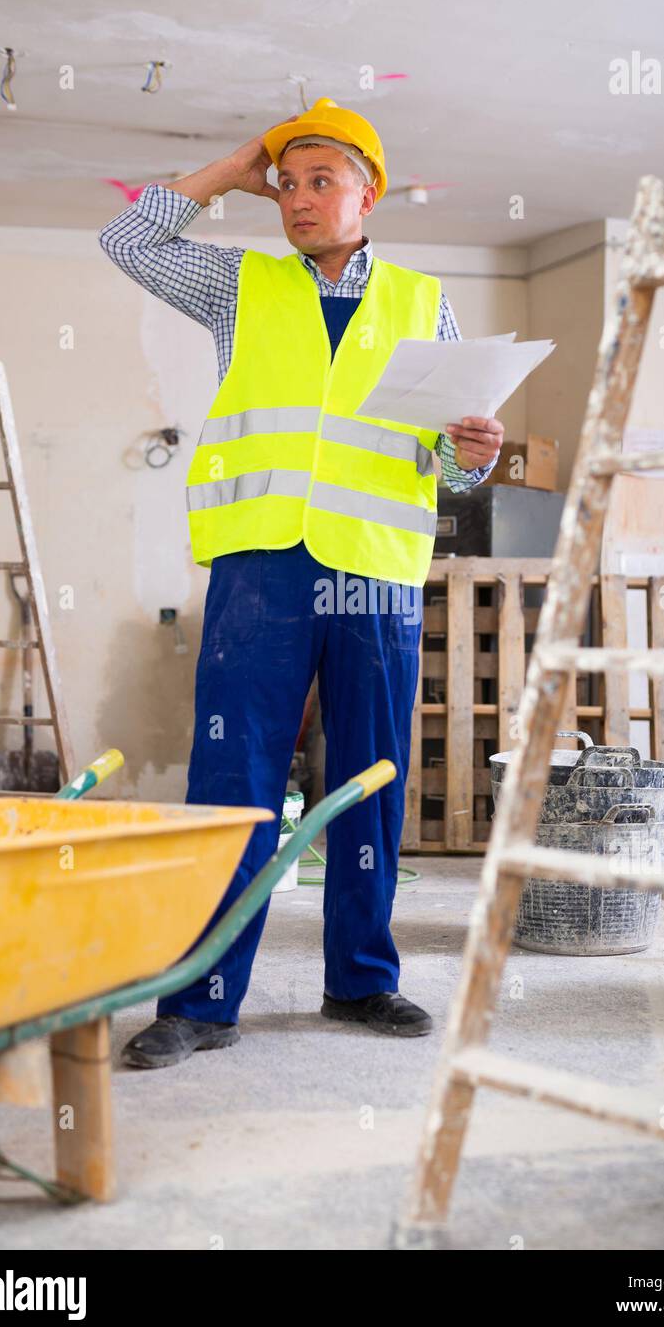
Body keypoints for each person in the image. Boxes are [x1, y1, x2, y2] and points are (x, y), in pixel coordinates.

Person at [99, 97, 503, 1068]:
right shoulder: (241, 285)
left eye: (321, 180)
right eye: (285, 184)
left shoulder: (423, 302)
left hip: (375, 571)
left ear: (369, 194)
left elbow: (448, 465)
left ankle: (360, 981)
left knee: (368, 776)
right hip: (262, 566)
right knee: (232, 779)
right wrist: (231, 166)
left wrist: (475, 457)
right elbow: (127, 239)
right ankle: (201, 1001)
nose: (297, 198)